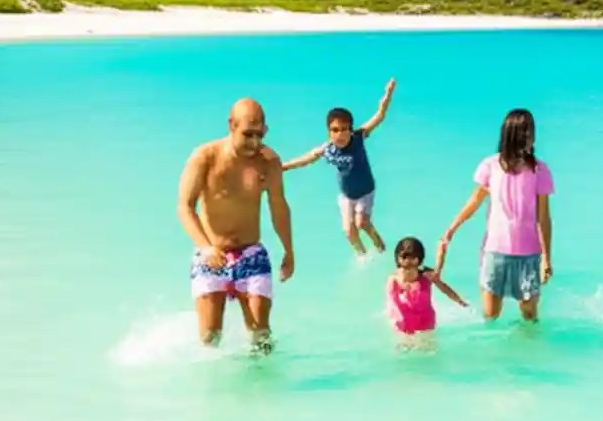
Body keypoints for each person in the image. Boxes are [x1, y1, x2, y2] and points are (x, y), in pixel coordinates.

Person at [177, 98, 295, 353]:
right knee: (210, 338)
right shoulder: (204, 158)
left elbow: (278, 206)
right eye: (247, 134)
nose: (254, 143)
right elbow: (185, 207)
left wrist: (289, 250)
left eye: (259, 134)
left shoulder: (269, 161)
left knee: (262, 338)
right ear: (231, 125)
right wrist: (206, 248)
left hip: (251, 254)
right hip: (211, 254)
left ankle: (264, 388)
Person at [437, 108, 554, 322]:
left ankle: (532, 353)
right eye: (525, 133)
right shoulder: (490, 166)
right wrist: (451, 229)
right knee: (491, 316)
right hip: (495, 251)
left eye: (531, 132)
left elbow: (544, 217)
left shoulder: (539, 170)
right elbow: (474, 202)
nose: (530, 138)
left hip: (528, 253)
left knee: (529, 314)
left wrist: (546, 257)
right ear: (512, 135)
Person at [282, 78, 396, 255]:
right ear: (328, 132)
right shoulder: (328, 149)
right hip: (347, 195)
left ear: (350, 129)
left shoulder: (358, 138)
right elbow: (307, 158)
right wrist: (284, 167)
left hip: (366, 191)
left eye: (344, 129)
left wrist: (387, 95)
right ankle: (362, 256)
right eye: (335, 130)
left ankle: (379, 245)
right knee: (349, 232)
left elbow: (379, 116)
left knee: (362, 223)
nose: (340, 134)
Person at [385, 237, 469, 347]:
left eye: (412, 258)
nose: (408, 262)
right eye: (404, 257)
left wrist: (459, 300)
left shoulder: (426, 276)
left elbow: (444, 287)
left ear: (419, 259)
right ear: (398, 259)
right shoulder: (394, 279)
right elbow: (392, 305)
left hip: (426, 324)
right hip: (403, 326)